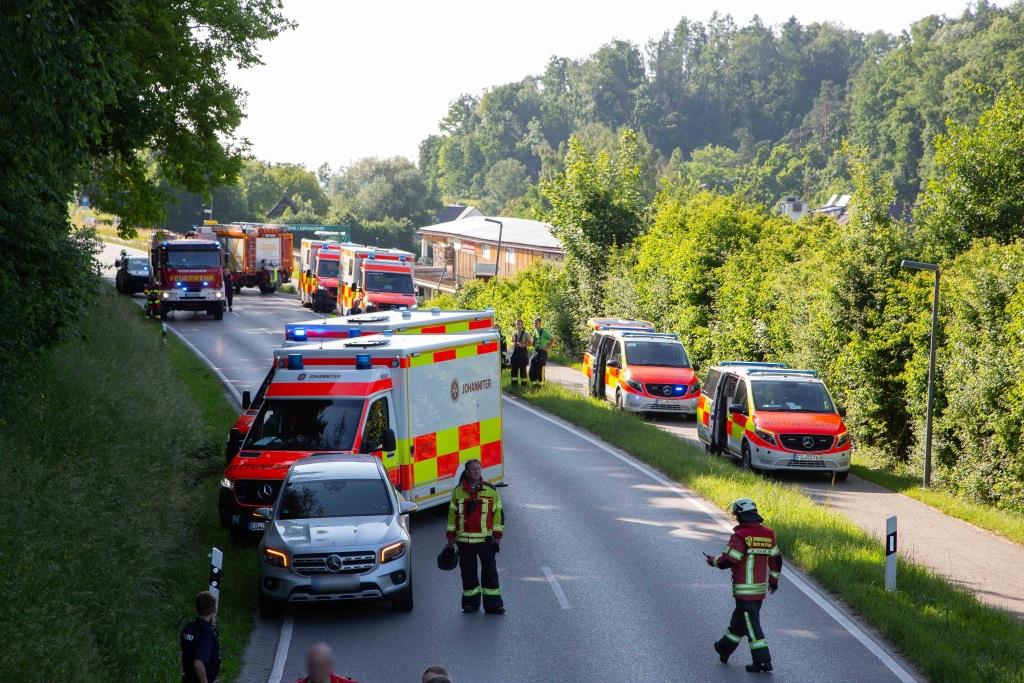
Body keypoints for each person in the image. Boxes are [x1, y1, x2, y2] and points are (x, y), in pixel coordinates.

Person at [706, 498, 782, 673]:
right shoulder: (768, 534)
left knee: (752, 625)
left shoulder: (741, 536)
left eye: (736, 515)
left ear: (740, 515)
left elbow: (729, 560)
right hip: (759, 591)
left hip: (744, 592)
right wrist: (773, 581)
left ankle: (763, 661)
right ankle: (723, 648)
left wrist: (714, 561)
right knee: (739, 622)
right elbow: (776, 559)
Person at [446, 459, 504, 614]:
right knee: (468, 573)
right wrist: (451, 538)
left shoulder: (490, 490)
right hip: (464, 542)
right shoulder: (458, 491)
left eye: (479, 469)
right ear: (466, 472)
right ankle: (471, 604)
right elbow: (452, 516)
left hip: (486, 541)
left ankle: (493, 605)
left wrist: (498, 537)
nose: (477, 471)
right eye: (473, 469)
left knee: (490, 572)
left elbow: (498, 514)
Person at [180, 591, 220, 683]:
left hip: (187, 679)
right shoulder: (207, 632)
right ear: (214, 610)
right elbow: (198, 663)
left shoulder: (189, 627)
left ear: (197, 609)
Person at [528, 317, 554, 385]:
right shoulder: (534, 331)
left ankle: (541, 386)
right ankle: (534, 385)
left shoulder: (544, 332)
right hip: (535, 351)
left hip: (542, 352)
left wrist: (547, 348)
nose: (535, 324)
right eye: (534, 323)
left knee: (540, 370)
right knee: (532, 370)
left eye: (537, 323)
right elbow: (533, 342)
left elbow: (552, 339)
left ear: (540, 324)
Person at [508, 319, 531, 387]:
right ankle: (514, 385)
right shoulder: (514, 333)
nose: (517, 326)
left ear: (522, 325)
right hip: (515, 353)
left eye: (519, 324)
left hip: (523, 353)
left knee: (523, 369)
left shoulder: (526, 334)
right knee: (514, 368)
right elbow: (511, 341)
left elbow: (530, 343)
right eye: (516, 324)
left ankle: (523, 385)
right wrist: (513, 344)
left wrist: (522, 345)